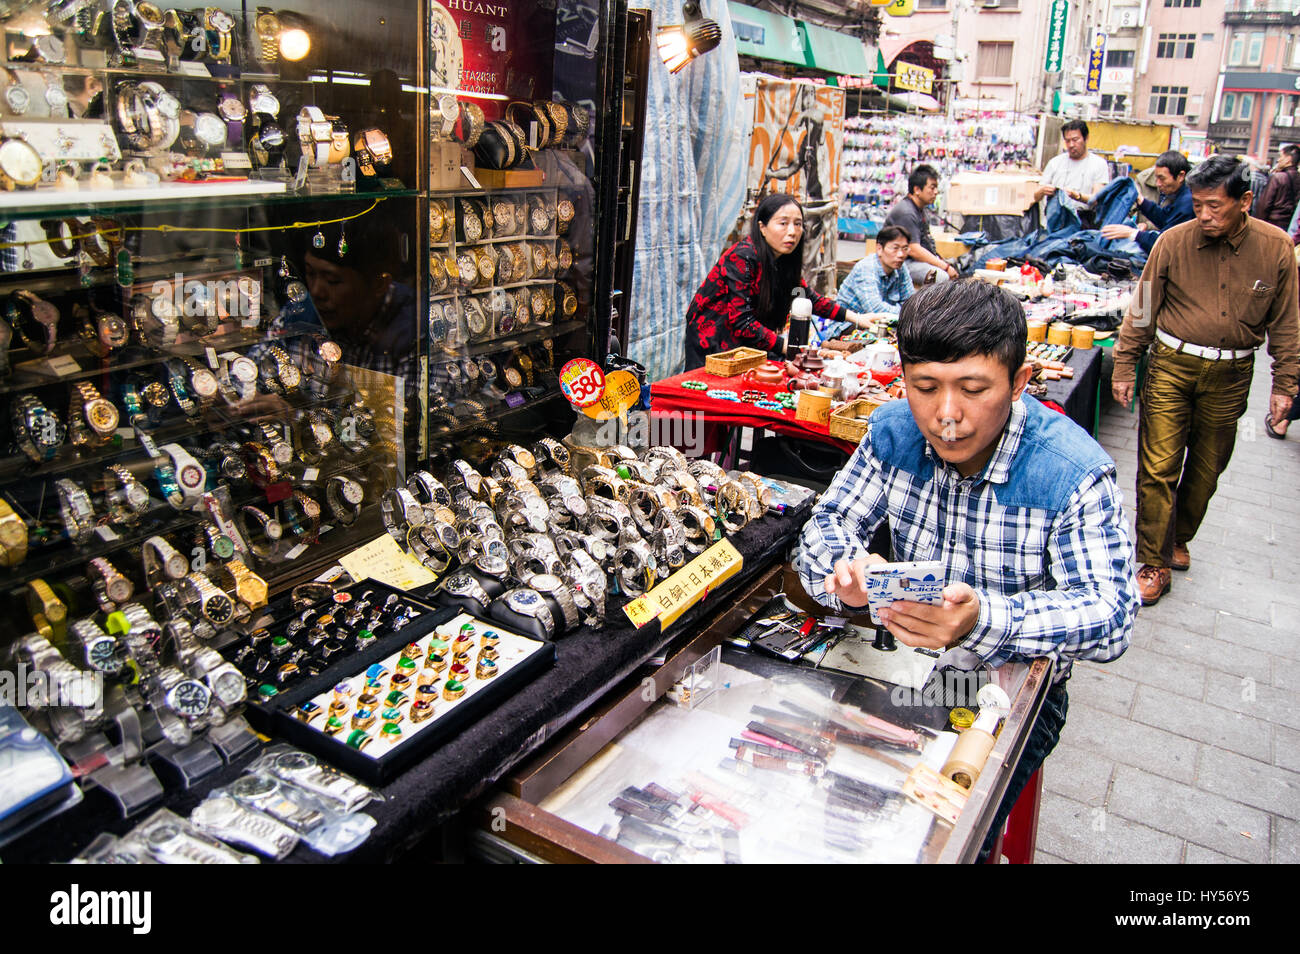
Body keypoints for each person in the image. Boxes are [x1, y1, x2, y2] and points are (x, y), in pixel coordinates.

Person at [797, 279, 1137, 861]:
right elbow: (824, 528)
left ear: (1020, 382)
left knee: (939, 840)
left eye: (973, 389)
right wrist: (844, 575)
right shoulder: (892, 432)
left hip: (1004, 691)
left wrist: (984, 620)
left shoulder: (1071, 471)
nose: (947, 416)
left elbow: (1111, 616)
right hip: (897, 666)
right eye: (925, 387)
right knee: (836, 813)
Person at [1112, 154, 1299, 605]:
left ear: (1245, 200)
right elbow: (1143, 306)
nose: (1205, 215)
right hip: (1171, 366)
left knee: (1207, 468)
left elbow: (1287, 320)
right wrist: (1124, 363)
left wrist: (1285, 382)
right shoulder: (1173, 243)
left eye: (1215, 206)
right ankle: (1153, 561)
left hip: (1233, 373)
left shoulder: (1275, 249)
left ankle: (1180, 535)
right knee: (1157, 468)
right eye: (1197, 205)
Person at [683, 193, 864, 371]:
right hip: (713, 345)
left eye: (798, 224)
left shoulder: (783, 259)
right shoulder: (743, 257)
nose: (792, 232)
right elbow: (742, 320)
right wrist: (788, 347)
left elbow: (808, 298)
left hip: (747, 347)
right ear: (762, 227)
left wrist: (857, 318)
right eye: (783, 223)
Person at [1099, 150, 1193, 254]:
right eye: (1156, 178)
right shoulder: (1183, 195)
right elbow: (1165, 218)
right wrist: (1141, 201)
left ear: (1180, 176)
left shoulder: (1187, 203)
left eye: (1162, 179)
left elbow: (1165, 243)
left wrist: (1133, 233)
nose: (1158, 184)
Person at [884, 164, 958, 287]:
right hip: (901, 262)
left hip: (914, 261)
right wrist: (944, 266)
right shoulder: (906, 212)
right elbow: (914, 250)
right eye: (932, 187)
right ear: (917, 190)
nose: (936, 192)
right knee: (941, 276)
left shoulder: (920, 210)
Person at [836, 225, 915, 317]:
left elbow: (911, 304)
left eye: (905, 249)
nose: (901, 254)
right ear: (879, 249)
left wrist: (907, 311)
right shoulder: (866, 268)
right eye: (895, 248)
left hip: (885, 321)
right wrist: (904, 311)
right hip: (850, 324)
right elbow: (875, 310)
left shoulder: (901, 267)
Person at [1034, 119, 1111, 213]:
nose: (1071, 145)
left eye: (1075, 140)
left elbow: (1097, 199)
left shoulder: (1098, 164)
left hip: (1083, 220)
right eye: (1067, 141)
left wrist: (1078, 196)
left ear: (1086, 138)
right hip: (1056, 218)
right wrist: (1042, 190)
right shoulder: (1055, 163)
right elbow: (1036, 196)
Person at [1253, 144, 1300, 231]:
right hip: (1290, 226)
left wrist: (1256, 226)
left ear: (1288, 159)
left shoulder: (1278, 177)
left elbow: (1264, 204)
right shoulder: (1298, 177)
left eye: (1281, 156)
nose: (1278, 159)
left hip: (1272, 224)